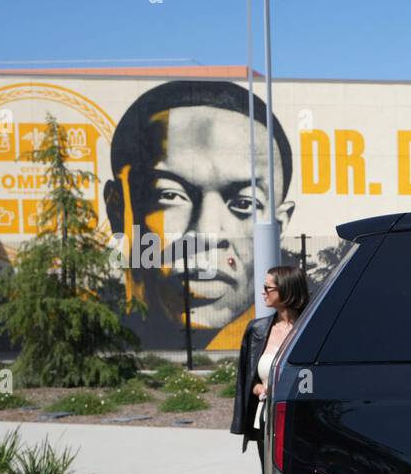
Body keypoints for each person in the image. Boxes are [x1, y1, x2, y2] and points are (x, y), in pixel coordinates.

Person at [102, 80, 296, 352]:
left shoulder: (286, 341)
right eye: (169, 195)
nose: (209, 233)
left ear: (278, 226)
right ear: (117, 208)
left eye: (244, 202)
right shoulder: (97, 331)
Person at [231, 264, 309, 474]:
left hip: (301, 420)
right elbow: (249, 380)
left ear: (286, 290)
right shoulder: (257, 330)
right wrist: (259, 388)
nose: (263, 292)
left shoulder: (308, 329)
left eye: (268, 287)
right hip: (267, 422)